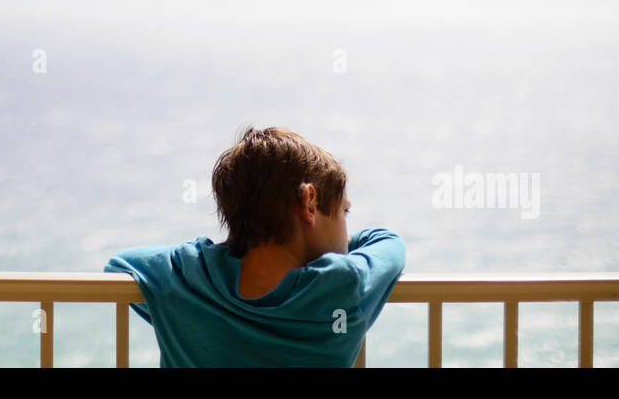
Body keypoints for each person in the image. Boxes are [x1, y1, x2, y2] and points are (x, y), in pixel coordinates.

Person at [103, 125, 405, 366]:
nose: (345, 230)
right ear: (309, 203)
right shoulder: (341, 285)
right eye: (343, 212)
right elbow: (388, 243)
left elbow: (119, 265)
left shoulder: (183, 277)